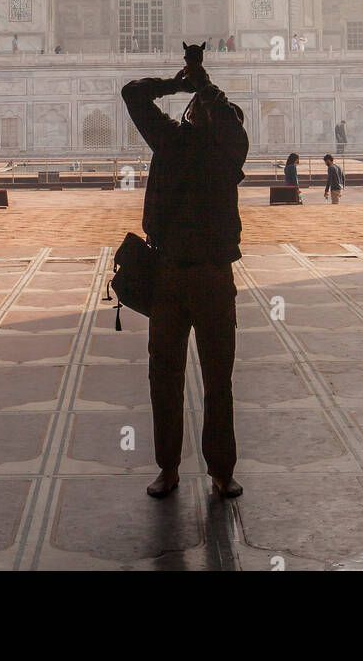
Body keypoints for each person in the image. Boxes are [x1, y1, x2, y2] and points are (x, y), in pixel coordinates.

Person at [121, 57, 249, 502]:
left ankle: (221, 470)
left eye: (208, 106)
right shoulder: (172, 143)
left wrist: (200, 86)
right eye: (196, 104)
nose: (198, 108)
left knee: (218, 379)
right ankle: (169, 467)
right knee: (165, 377)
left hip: (213, 277)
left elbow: (137, 94)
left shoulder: (227, 154)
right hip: (170, 277)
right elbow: (132, 94)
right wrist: (178, 85)